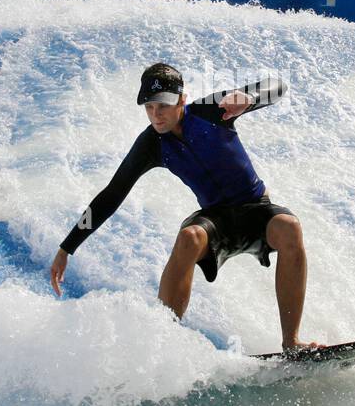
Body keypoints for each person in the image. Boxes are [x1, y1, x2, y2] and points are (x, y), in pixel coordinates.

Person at [50, 62, 319, 352]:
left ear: (182, 99)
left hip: (256, 211)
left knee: (289, 227)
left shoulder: (212, 111)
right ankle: (163, 347)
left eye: (163, 106)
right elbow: (110, 196)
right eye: (150, 107)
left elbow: (277, 86)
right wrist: (67, 247)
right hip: (218, 222)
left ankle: (291, 343)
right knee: (189, 237)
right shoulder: (150, 145)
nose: (157, 115)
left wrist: (249, 98)